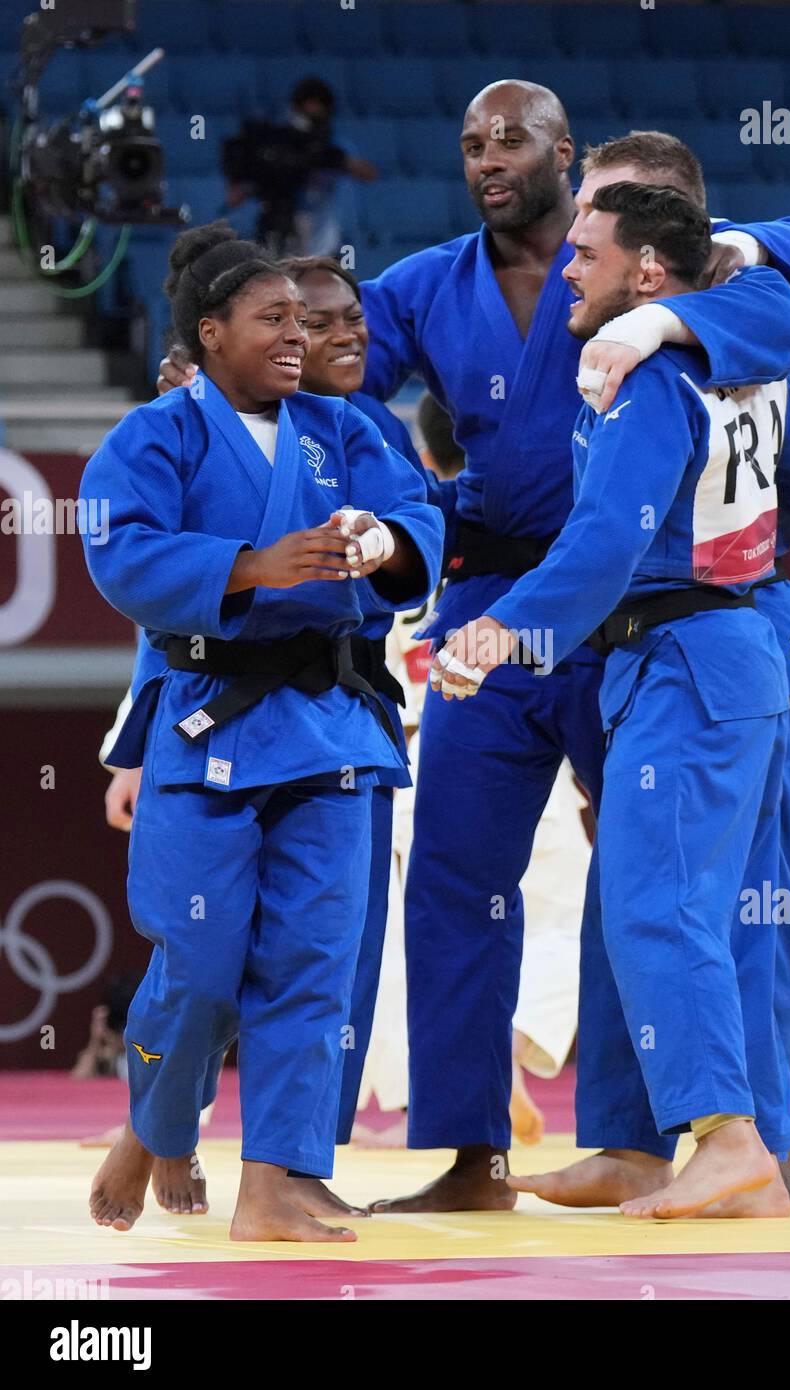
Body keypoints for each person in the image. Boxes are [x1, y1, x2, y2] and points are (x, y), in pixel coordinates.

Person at [357, 84, 790, 1215]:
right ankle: (542, 1144)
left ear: (666, 245)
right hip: (558, 604)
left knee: (691, 897)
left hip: (647, 619)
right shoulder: (437, 287)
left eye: (509, 138)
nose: (486, 156)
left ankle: (738, 1137)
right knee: (549, 884)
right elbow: (323, 358)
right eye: (469, 137)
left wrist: (670, 320)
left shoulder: (716, 319)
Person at [79, 222, 442, 1241]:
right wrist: (248, 566)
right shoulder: (156, 436)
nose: (298, 336)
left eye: (306, 318)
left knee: (314, 961)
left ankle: (278, 1178)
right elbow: (120, 551)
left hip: (331, 726)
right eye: (272, 319)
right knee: (197, 962)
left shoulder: (344, 429)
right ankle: (153, 1123)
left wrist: (387, 540)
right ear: (211, 333)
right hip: (209, 729)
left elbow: (420, 512)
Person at [223, 77, 377, 256]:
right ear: (295, 108)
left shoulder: (336, 146)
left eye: (320, 110)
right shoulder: (278, 144)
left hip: (323, 239)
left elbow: (368, 173)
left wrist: (326, 157)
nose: (313, 117)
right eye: (307, 110)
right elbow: (234, 198)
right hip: (281, 233)